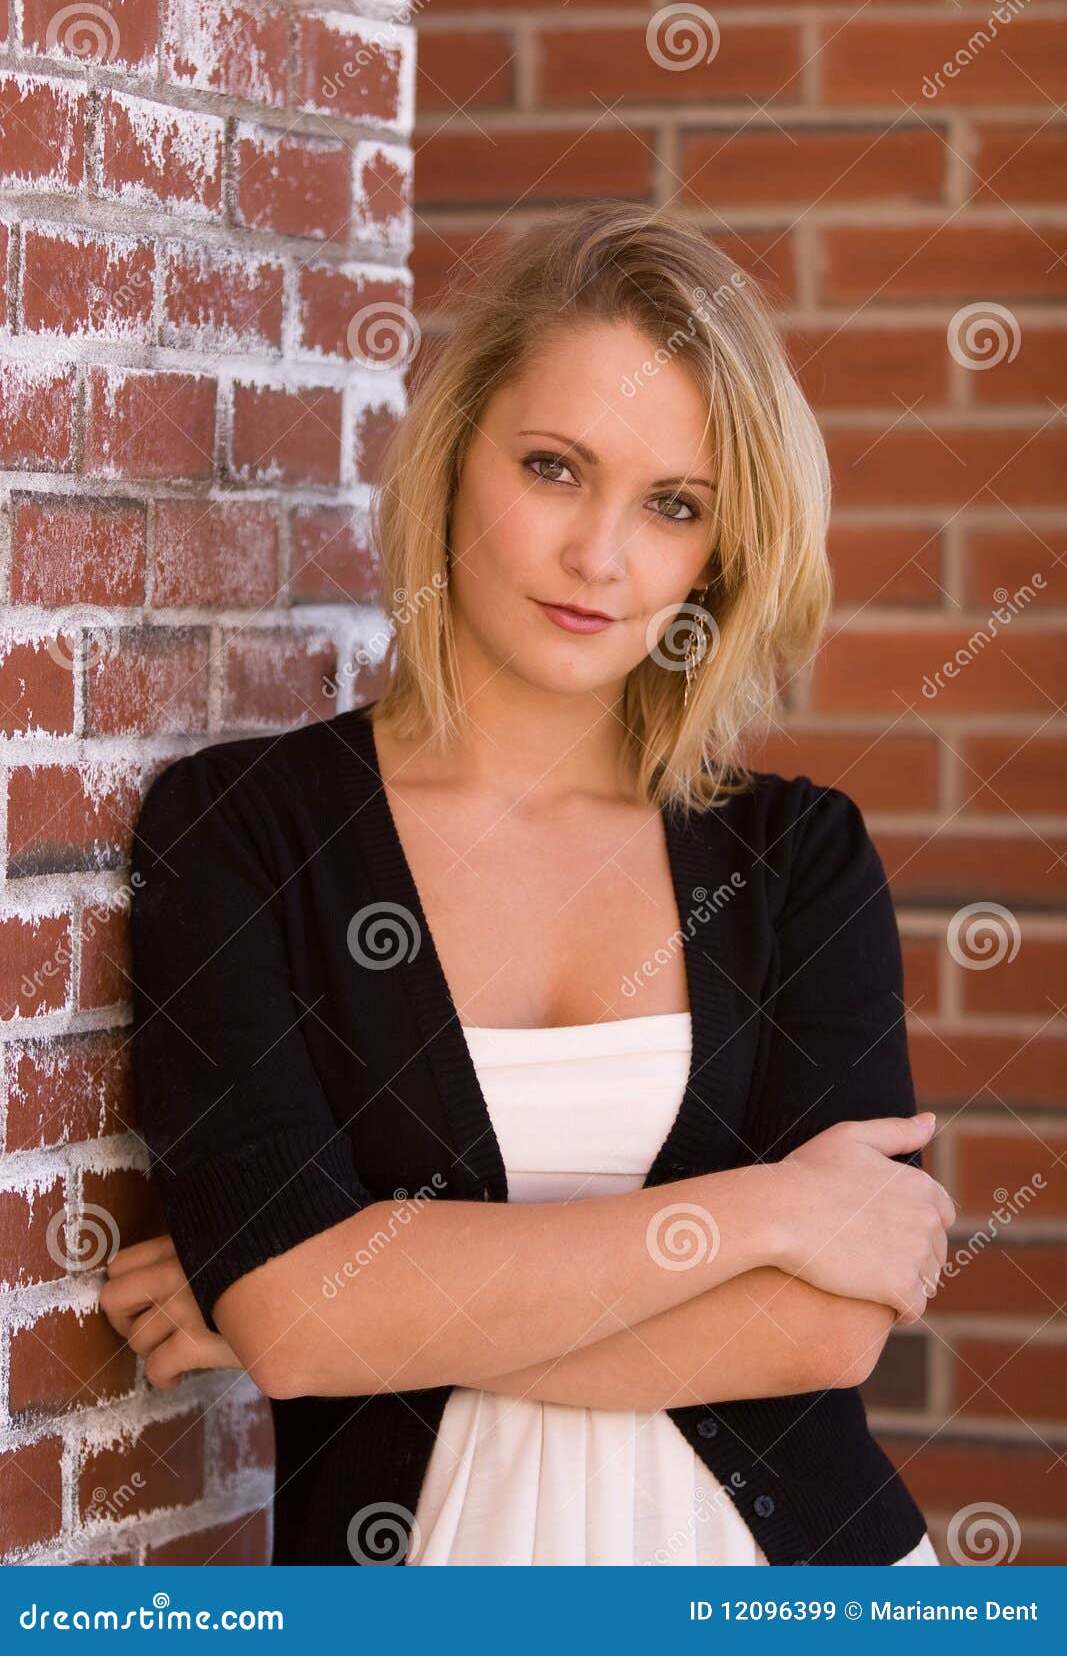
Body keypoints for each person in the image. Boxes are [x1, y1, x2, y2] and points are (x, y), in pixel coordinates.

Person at [102, 200, 954, 1567]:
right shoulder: (247, 833)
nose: (601, 557)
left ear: (719, 554)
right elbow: (301, 1319)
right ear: (453, 456)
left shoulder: (795, 858)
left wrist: (375, 1315)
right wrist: (770, 1210)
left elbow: (817, 1329)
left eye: (673, 504)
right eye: (555, 467)